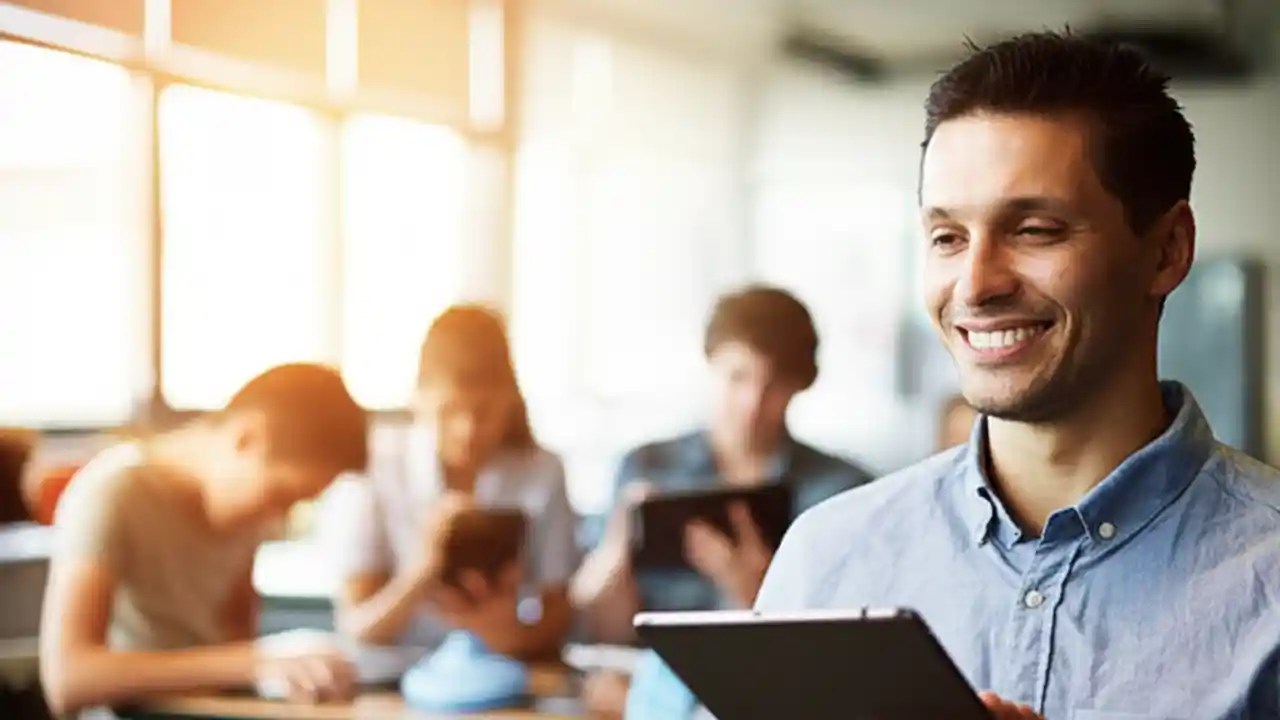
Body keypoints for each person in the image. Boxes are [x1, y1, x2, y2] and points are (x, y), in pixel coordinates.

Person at [755, 31, 1280, 719]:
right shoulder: (827, 559)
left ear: (1167, 251)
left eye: (1034, 229)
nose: (975, 284)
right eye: (948, 237)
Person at [573, 285, 873, 718]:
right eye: (737, 377)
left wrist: (754, 592)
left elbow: (839, 657)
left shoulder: (841, 492)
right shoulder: (646, 467)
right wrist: (621, 543)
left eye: (772, 385)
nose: (751, 404)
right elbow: (598, 624)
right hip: (639, 681)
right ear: (710, 364)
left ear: (799, 386)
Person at [39, 363, 369, 716]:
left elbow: (237, 642)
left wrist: (287, 672)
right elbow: (67, 679)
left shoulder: (247, 515)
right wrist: (253, 661)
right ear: (247, 437)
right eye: (281, 495)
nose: (278, 519)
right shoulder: (112, 492)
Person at [328, 305, 577, 659]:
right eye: (449, 411)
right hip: (394, 675)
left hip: (498, 670)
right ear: (418, 397)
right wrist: (423, 570)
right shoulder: (373, 467)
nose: (467, 430)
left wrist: (508, 633)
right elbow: (357, 627)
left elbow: (560, 609)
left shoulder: (542, 471)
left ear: (510, 400)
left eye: (485, 411)